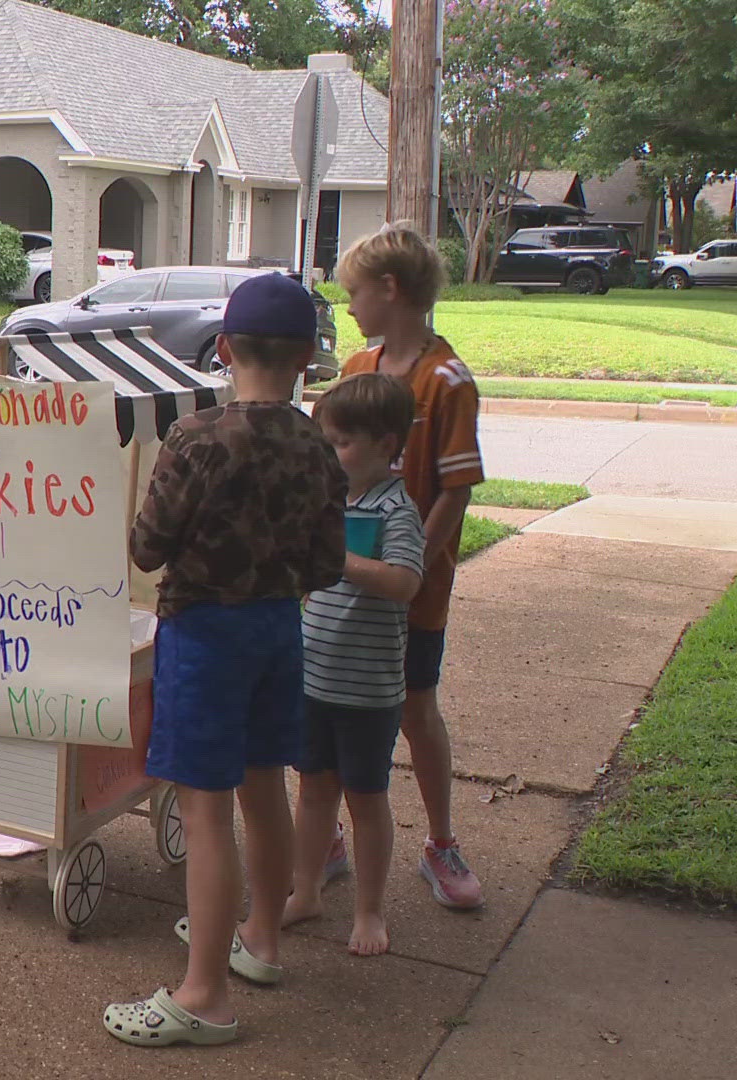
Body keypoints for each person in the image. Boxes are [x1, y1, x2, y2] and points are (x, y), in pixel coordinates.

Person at [102, 274, 346, 1048]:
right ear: (308, 355)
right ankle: (261, 941)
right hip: (279, 629)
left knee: (206, 813)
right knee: (264, 788)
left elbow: (146, 546)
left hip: (204, 636)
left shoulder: (197, 438)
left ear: (227, 348)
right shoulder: (319, 444)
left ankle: (202, 995)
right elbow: (329, 564)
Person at [331, 222, 486, 910]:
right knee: (332, 701)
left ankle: (441, 842)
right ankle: (330, 837)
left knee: (416, 707)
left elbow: (457, 485)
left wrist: (414, 561)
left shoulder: (447, 380)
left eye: (355, 293)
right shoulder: (356, 371)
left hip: (411, 593)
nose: (349, 306)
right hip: (341, 589)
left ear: (390, 290)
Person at [280, 373, 424, 957]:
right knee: (313, 791)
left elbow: (407, 583)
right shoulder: (330, 500)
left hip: (367, 690)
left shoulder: (396, 511)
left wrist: (343, 563)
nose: (328, 454)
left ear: (386, 446)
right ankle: (306, 889)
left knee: (366, 800)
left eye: (340, 443)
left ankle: (369, 911)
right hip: (315, 677)